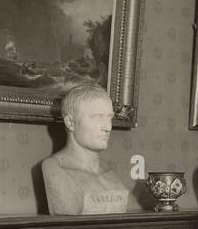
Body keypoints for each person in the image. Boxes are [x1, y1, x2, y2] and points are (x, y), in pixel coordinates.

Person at [40, 85, 136, 215]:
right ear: (70, 122)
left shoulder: (109, 172)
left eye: (109, 117)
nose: (108, 127)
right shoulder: (54, 168)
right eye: (97, 117)